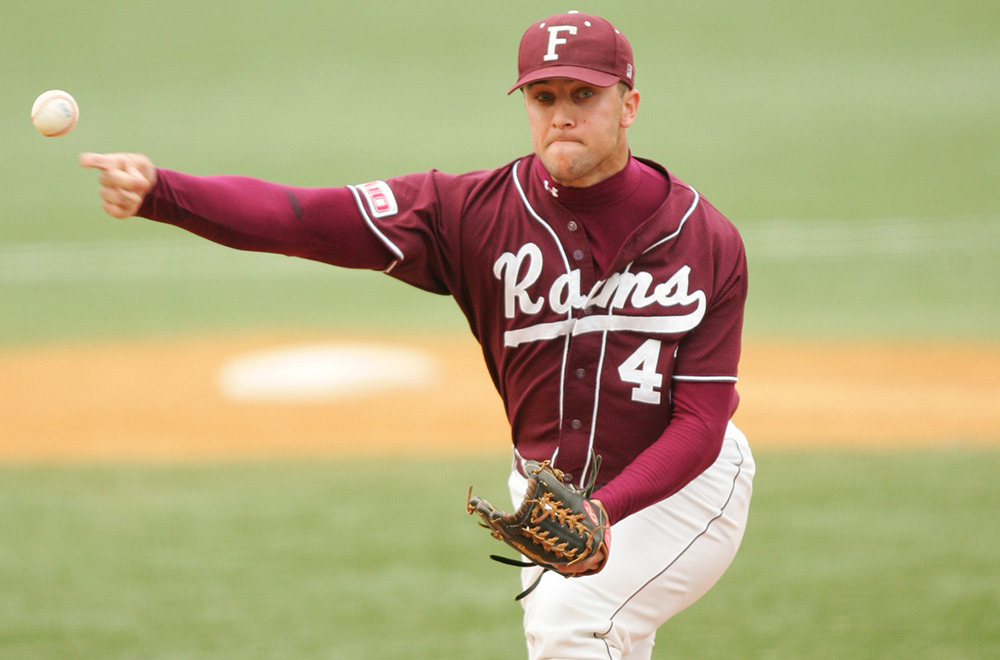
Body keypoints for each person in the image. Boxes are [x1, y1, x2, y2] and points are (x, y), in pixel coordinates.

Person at [80, 11, 754, 660]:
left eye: (585, 94)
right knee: (602, 637)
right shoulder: (465, 213)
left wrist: (605, 510)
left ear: (629, 105)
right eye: (543, 96)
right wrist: (161, 193)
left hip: (682, 491)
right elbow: (307, 218)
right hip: (552, 497)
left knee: (573, 628)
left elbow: (700, 422)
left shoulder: (705, 237)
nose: (563, 113)